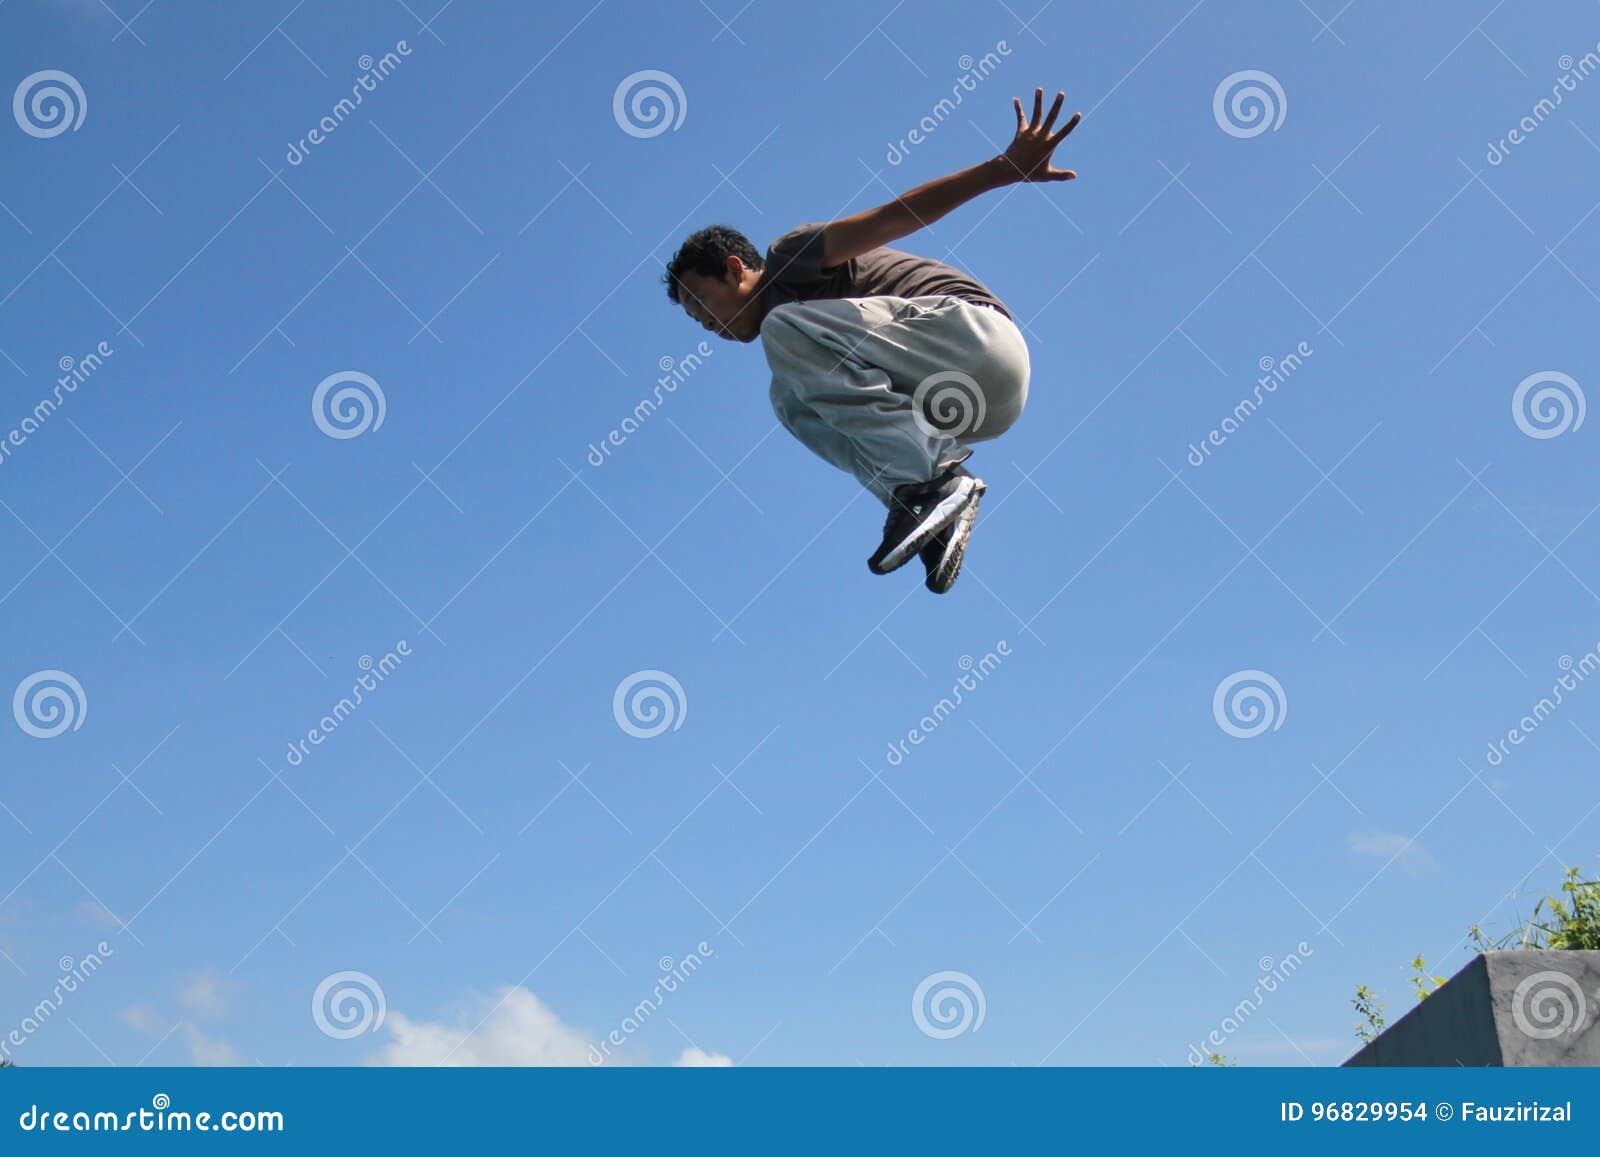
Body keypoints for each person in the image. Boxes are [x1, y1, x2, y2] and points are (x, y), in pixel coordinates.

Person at [665, 88, 1080, 593]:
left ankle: (932, 484)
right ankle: (927, 508)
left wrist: (1001, 169)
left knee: (783, 331)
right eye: (695, 320)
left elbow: (894, 217)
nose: (706, 324)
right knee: (787, 398)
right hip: (979, 408)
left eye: (703, 304)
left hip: (976, 338)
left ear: (734, 270)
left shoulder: (786, 261)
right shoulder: (803, 354)